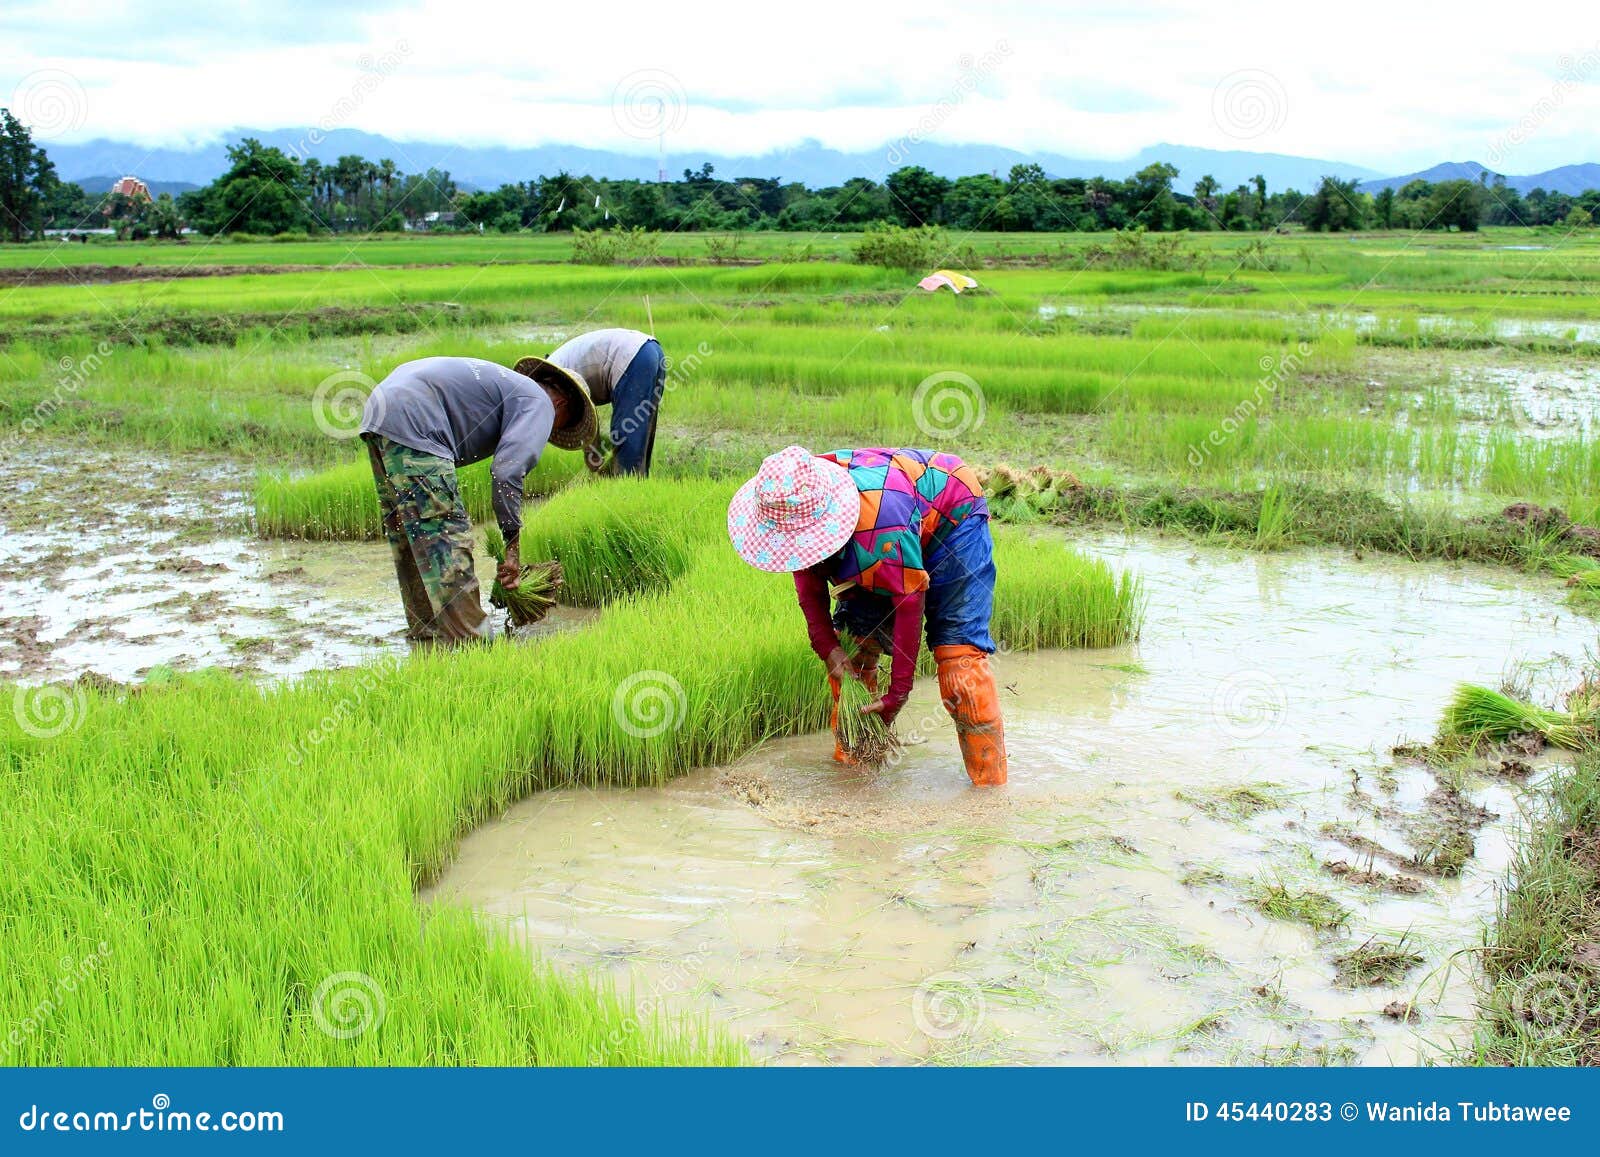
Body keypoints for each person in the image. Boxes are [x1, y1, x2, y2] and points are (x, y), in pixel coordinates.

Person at [727, 445, 1006, 786]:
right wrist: (827, 647)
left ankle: (989, 794)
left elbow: (909, 598)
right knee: (853, 655)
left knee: (959, 661)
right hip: (880, 530)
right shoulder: (792, 499)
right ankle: (855, 780)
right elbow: (808, 581)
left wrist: (898, 693)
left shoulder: (881, 526)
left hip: (952, 515)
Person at [358, 355, 596, 646]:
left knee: (410, 533)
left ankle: (427, 634)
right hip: (417, 417)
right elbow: (507, 472)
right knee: (446, 537)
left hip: (381, 410)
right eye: (557, 426)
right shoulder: (540, 403)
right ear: (561, 406)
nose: (547, 434)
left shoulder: (510, 389)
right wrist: (512, 551)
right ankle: (475, 645)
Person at [546, 328, 665, 475]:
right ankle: (637, 485)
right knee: (642, 432)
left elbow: (586, 415)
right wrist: (593, 452)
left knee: (627, 433)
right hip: (650, 349)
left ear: (559, 404)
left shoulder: (556, 385)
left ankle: (625, 489)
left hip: (632, 356)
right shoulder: (551, 380)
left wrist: (592, 453)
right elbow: (587, 413)